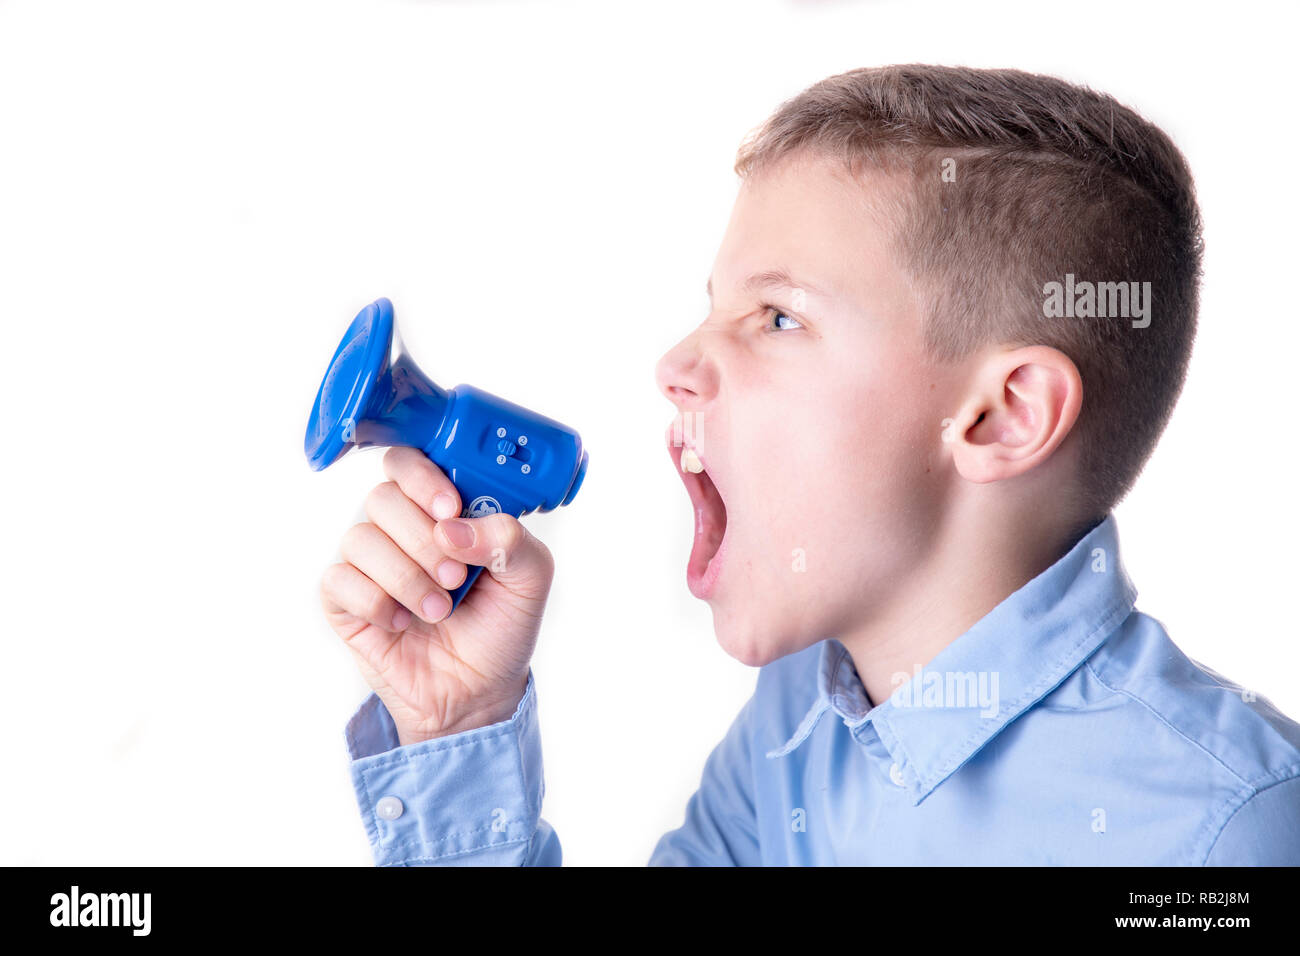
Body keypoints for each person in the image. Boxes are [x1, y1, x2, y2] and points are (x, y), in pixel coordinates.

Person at [320, 65, 1300, 865]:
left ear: (1001, 417)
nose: (675, 364)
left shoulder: (1225, 827)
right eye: (714, 306)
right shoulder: (801, 725)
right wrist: (457, 720)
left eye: (778, 316)